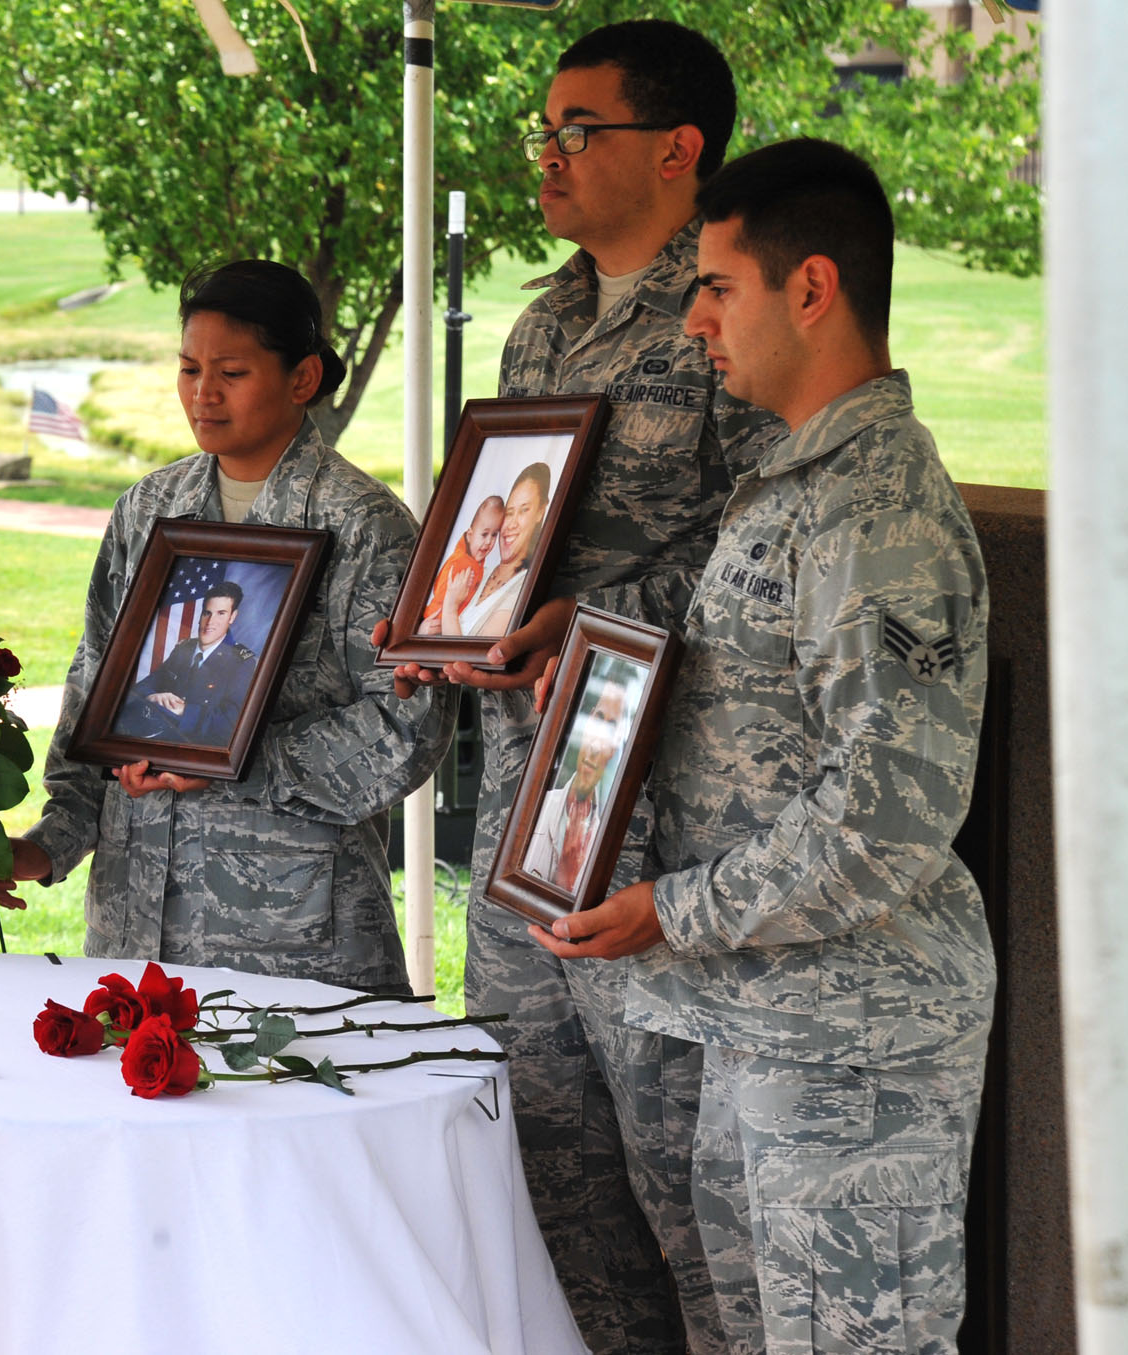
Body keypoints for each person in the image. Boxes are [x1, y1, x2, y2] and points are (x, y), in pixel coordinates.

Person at [537, 138, 992, 1355]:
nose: (692, 324)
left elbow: (885, 816)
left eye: (718, 287)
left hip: (858, 1046)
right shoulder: (791, 481)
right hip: (759, 1017)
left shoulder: (875, 506)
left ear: (812, 289)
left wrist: (672, 909)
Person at [376, 20, 784, 1355]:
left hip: (666, 821)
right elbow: (504, 536)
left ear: (677, 151)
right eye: (541, 129)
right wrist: (451, 618)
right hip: (527, 815)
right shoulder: (545, 318)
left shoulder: (734, 311)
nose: (546, 155)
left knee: (686, 1188)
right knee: (547, 1166)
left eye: (577, 130)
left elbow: (766, 567)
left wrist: (588, 621)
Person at [0, 259, 450, 992]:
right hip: (134, 932)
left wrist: (240, 759)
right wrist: (49, 843)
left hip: (293, 946)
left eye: (232, 372)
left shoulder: (366, 528)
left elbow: (408, 726)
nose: (203, 393)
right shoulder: (149, 511)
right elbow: (96, 691)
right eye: (188, 368)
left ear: (302, 378)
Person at [116, 580, 258, 746]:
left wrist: (184, 711)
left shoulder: (241, 662)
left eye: (221, 613)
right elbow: (141, 687)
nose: (210, 621)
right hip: (154, 737)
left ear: (232, 617)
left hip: (197, 751)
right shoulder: (184, 649)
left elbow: (229, 725)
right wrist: (154, 696)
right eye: (207, 613)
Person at [522, 679, 629, 892]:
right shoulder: (540, 803)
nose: (596, 746)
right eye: (598, 719)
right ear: (587, 721)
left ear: (618, 745)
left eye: (610, 728)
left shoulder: (611, 832)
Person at [457, 462, 551, 636]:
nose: (512, 524)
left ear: (540, 512)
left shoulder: (524, 587)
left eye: (524, 510)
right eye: (509, 512)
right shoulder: (478, 572)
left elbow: (478, 654)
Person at [420, 495, 502, 635]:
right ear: (470, 535)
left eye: (494, 535)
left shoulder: (476, 562)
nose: (489, 541)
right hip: (437, 624)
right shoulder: (459, 564)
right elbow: (440, 596)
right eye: (484, 534)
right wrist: (424, 628)